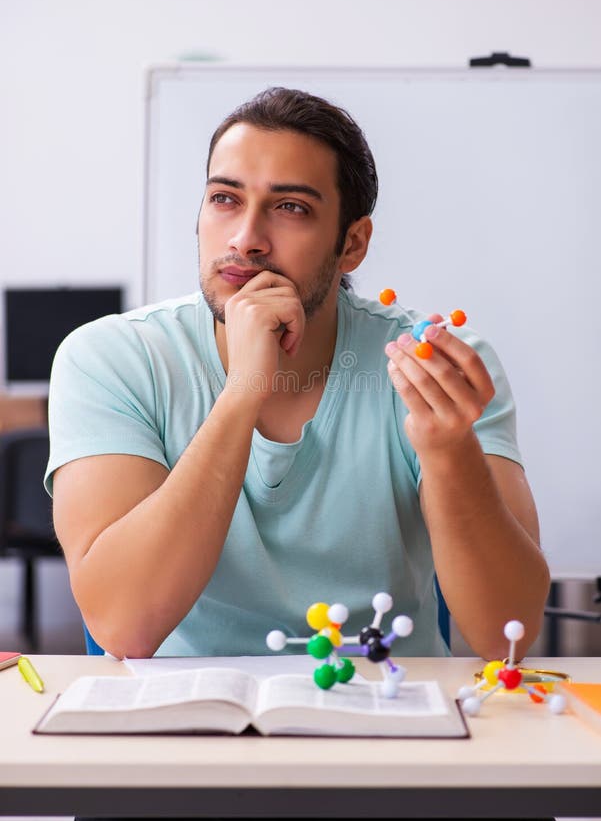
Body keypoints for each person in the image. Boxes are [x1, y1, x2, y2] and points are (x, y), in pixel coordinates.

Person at [45, 87, 550, 662]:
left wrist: (449, 451)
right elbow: (123, 625)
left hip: (389, 714)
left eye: (291, 208)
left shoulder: (432, 368)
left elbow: (506, 632)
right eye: (224, 198)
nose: (245, 238)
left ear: (352, 244)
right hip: (182, 725)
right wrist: (242, 394)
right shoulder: (111, 358)